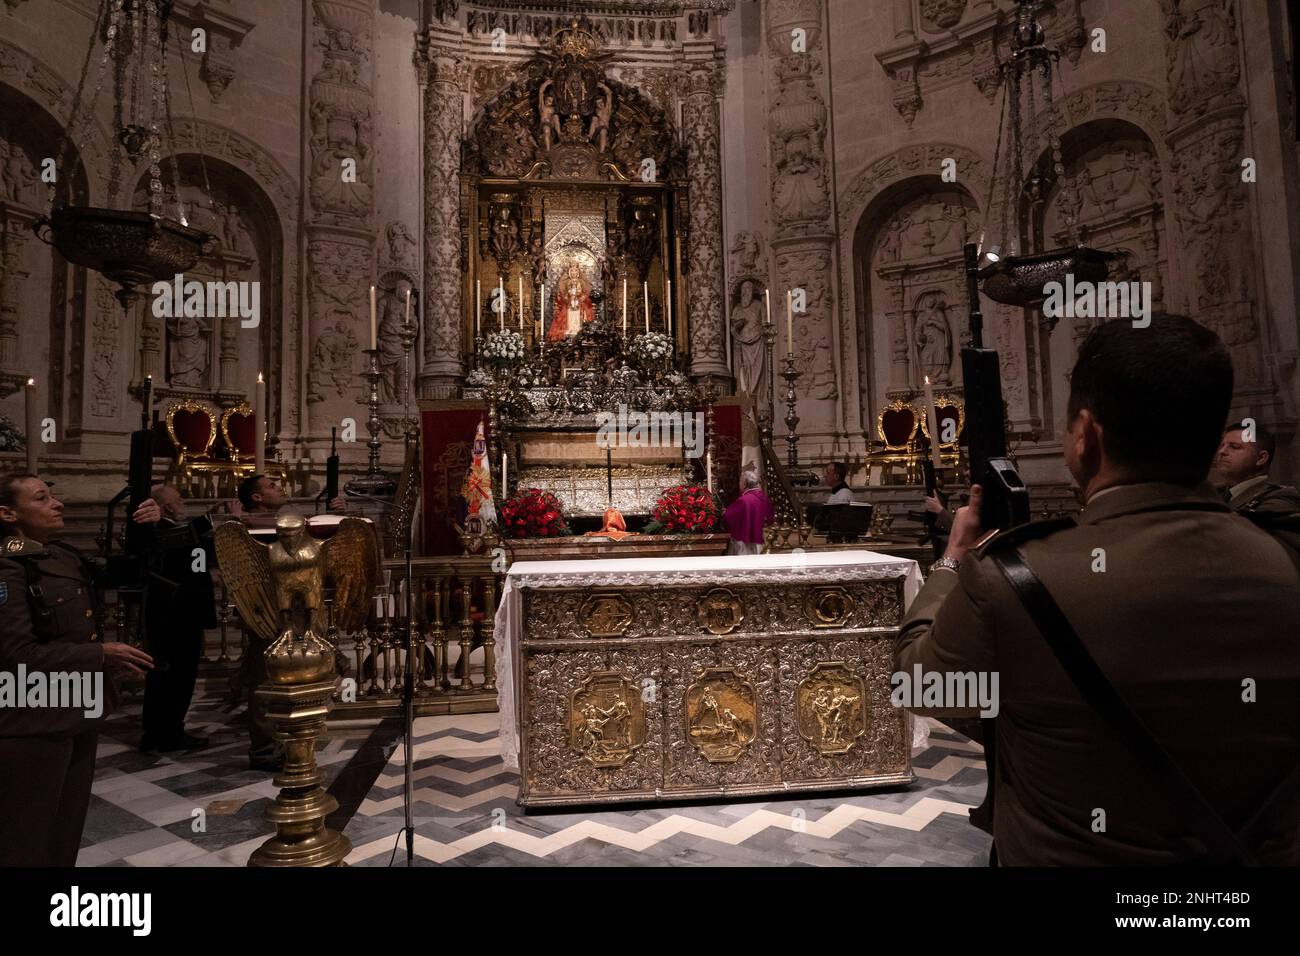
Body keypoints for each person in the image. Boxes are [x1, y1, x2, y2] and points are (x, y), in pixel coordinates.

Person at [895, 315, 1300, 865]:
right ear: (1211, 441)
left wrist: (950, 562)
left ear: (1086, 437)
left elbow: (920, 687)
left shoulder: (1013, 578)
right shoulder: (1286, 561)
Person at [0, 473, 160, 865]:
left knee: (64, 832)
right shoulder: (8, 568)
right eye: (41, 498)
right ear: (7, 513)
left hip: (75, 711)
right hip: (31, 721)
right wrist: (100, 655)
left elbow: (130, 577)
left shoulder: (61, 554)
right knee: (27, 838)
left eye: (53, 495)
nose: (57, 504)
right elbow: (15, 655)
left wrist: (149, 529)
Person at [139, 484, 215, 753]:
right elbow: (188, 541)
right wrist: (214, 519)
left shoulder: (177, 532)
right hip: (175, 615)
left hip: (179, 614)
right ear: (168, 507)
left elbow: (201, 553)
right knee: (174, 676)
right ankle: (164, 732)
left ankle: (164, 730)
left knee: (175, 676)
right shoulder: (161, 530)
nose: (182, 502)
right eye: (178, 499)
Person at [1210, 420, 1300, 515]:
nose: (1222, 451)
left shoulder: (1282, 497)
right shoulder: (1214, 492)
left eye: (1234, 447)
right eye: (1222, 446)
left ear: (1261, 458)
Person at [724, 471, 774, 555]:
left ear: (744, 484)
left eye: (740, 481)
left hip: (745, 544)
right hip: (763, 542)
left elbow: (728, 518)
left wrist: (725, 512)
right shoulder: (764, 498)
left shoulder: (743, 500)